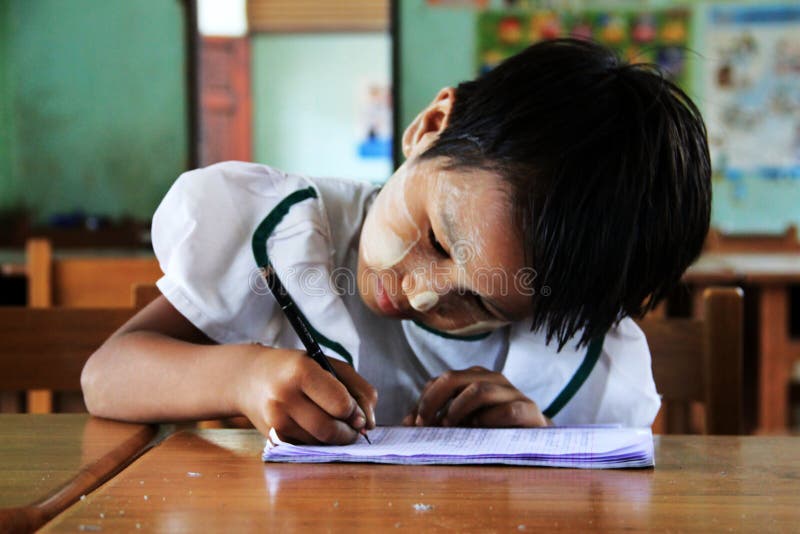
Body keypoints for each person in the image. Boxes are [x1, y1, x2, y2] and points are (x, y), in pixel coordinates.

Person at [81, 38, 711, 444]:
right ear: (431, 126)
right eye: (436, 239)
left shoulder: (574, 357)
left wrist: (539, 441)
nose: (422, 295)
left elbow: (619, 499)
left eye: (486, 303)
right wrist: (242, 376)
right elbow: (107, 376)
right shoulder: (289, 237)